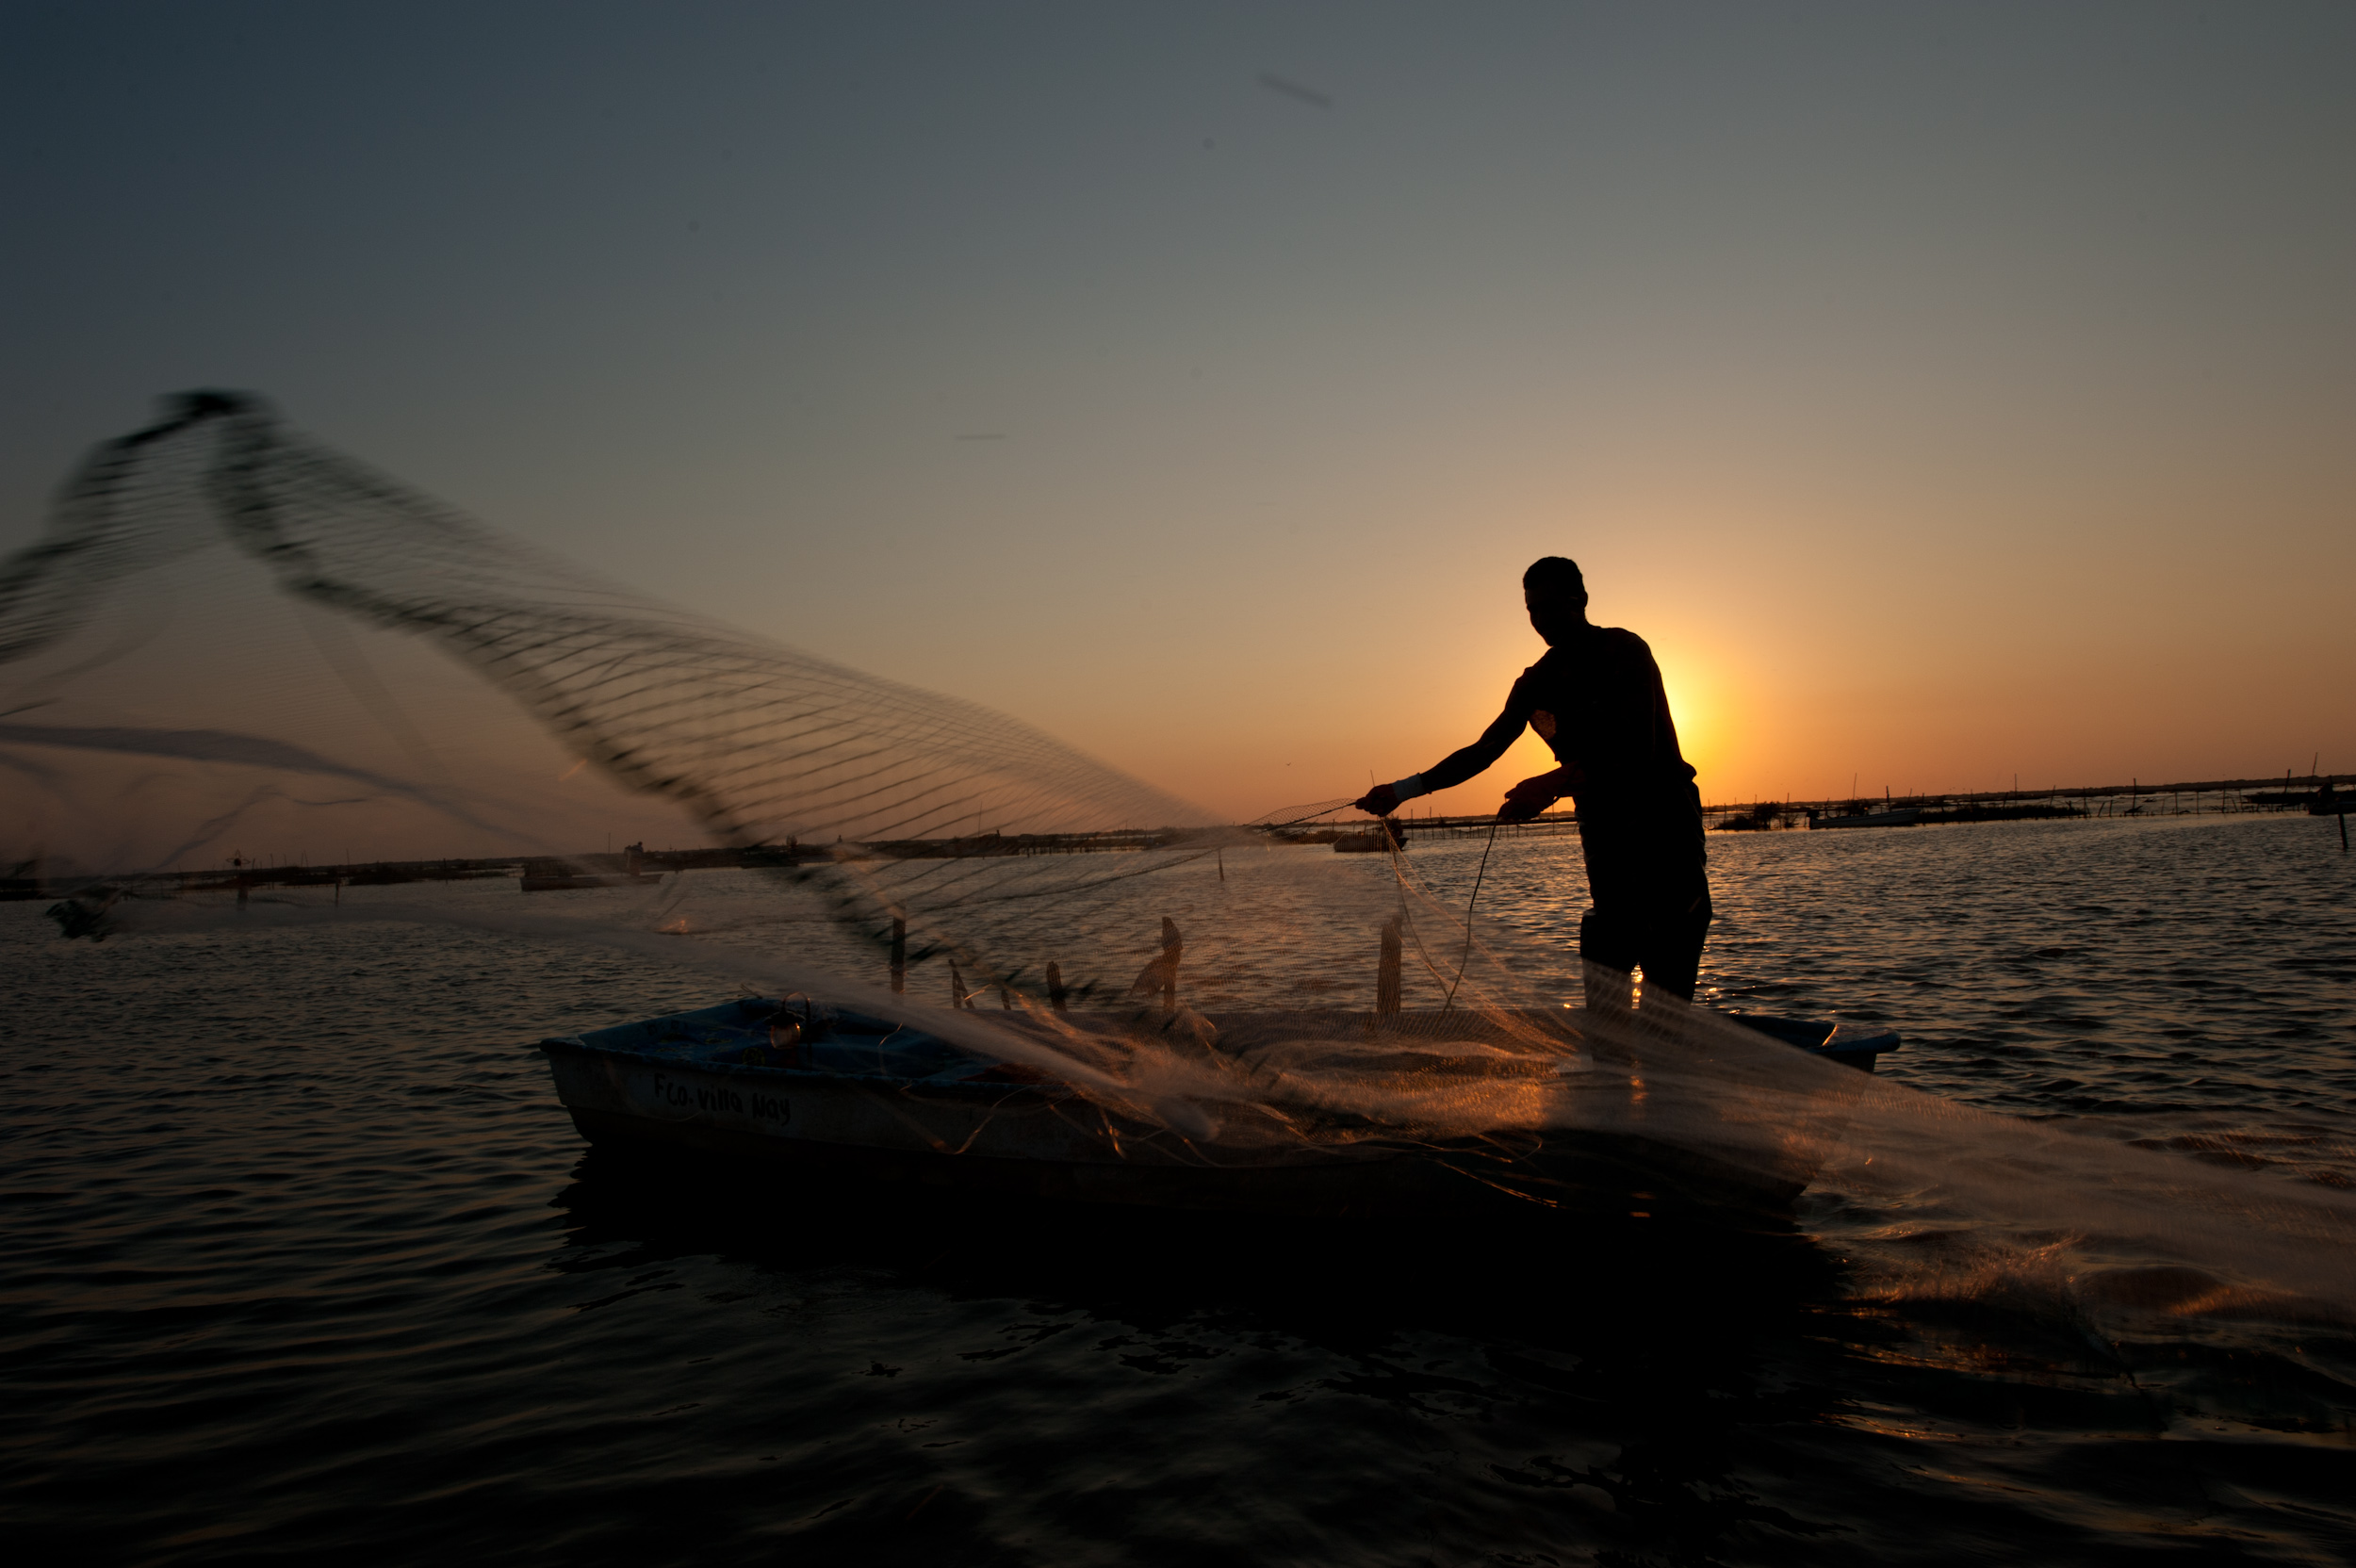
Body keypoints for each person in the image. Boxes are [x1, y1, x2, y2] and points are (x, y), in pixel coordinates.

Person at [1352, 556, 1710, 1008]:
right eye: (1533, 611)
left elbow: (1637, 749)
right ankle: (1611, 1063)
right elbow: (1484, 751)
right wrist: (1401, 790)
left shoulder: (1624, 651)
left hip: (1663, 823)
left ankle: (1672, 1053)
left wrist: (1549, 785)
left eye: (1552, 607)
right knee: (1609, 950)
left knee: (1669, 960)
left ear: (1580, 600)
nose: (1543, 621)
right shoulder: (1536, 681)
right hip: (1603, 828)